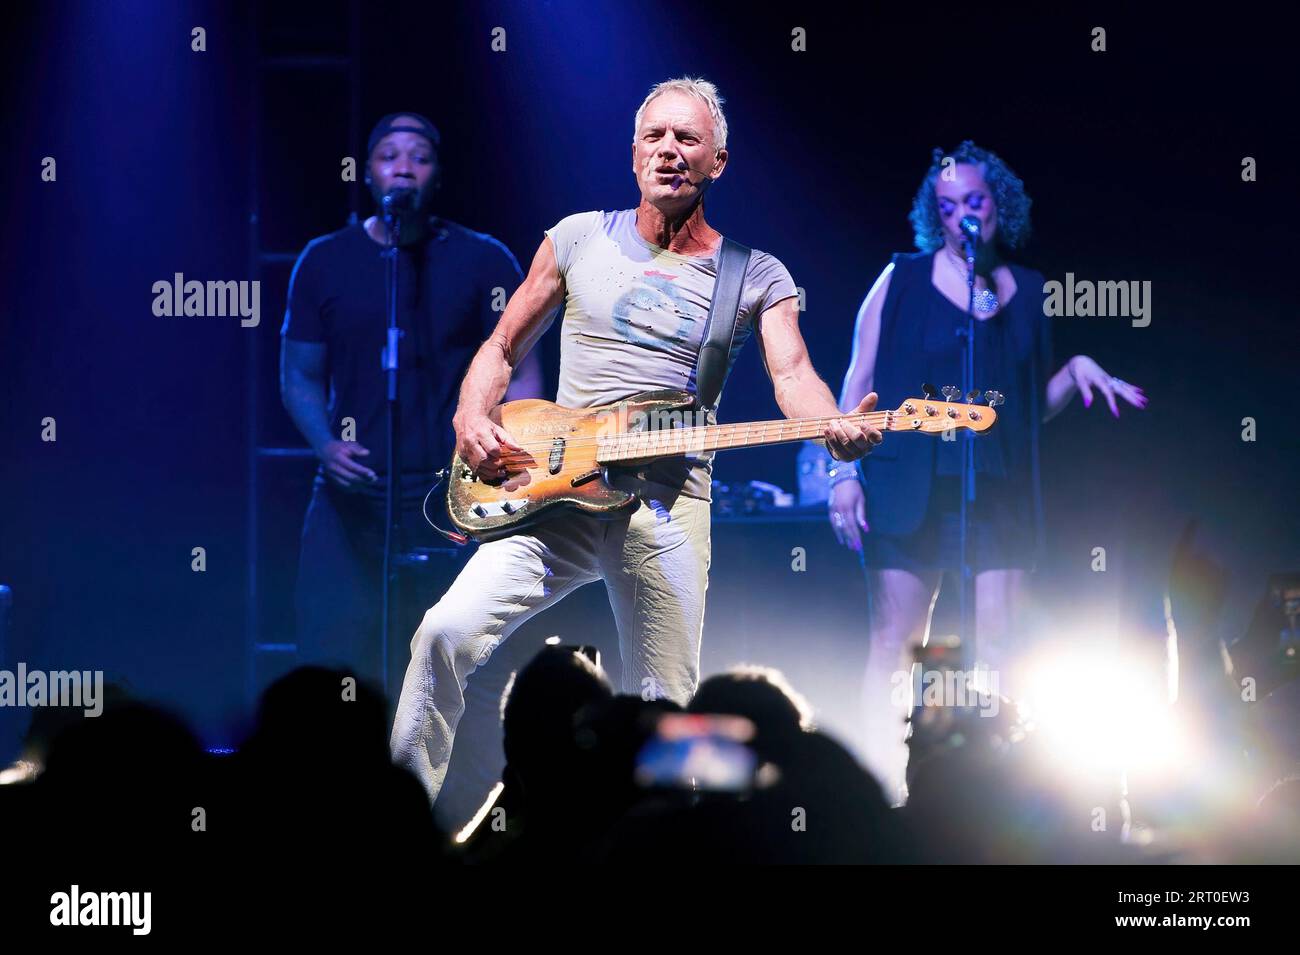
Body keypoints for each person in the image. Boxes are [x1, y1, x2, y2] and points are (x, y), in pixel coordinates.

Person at [390, 77, 880, 804]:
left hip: (665, 500)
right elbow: (499, 344)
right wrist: (471, 411)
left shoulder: (756, 274)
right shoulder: (577, 236)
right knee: (441, 633)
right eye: (655, 137)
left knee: (667, 707)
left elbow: (794, 373)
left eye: (688, 139)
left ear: (719, 162)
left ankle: (660, 851)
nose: (669, 151)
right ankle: (395, 820)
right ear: (633, 154)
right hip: (556, 489)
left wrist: (834, 421)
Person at [829, 142, 1148, 799]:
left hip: (997, 491)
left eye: (973, 202)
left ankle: (996, 792)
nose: (962, 217)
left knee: (1001, 644)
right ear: (934, 215)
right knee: (896, 643)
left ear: (998, 204)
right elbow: (856, 379)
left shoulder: (1029, 291)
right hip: (907, 483)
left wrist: (1077, 371)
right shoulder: (901, 278)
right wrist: (843, 476)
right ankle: (880, 789)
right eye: (947, 207)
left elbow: (1026, 414)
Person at [280, 113, 542, 686]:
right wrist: (325, 445)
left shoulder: (483, 258)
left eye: (419, 156)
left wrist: (508, 445)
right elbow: (298, 373)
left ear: (437, 174)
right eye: (389, 155)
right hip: (352, 496)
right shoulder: (324, 260)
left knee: (451, 658)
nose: (404, 166)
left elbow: (520, 368)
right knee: (330, 655)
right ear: (369, 173)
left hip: (452, 492)